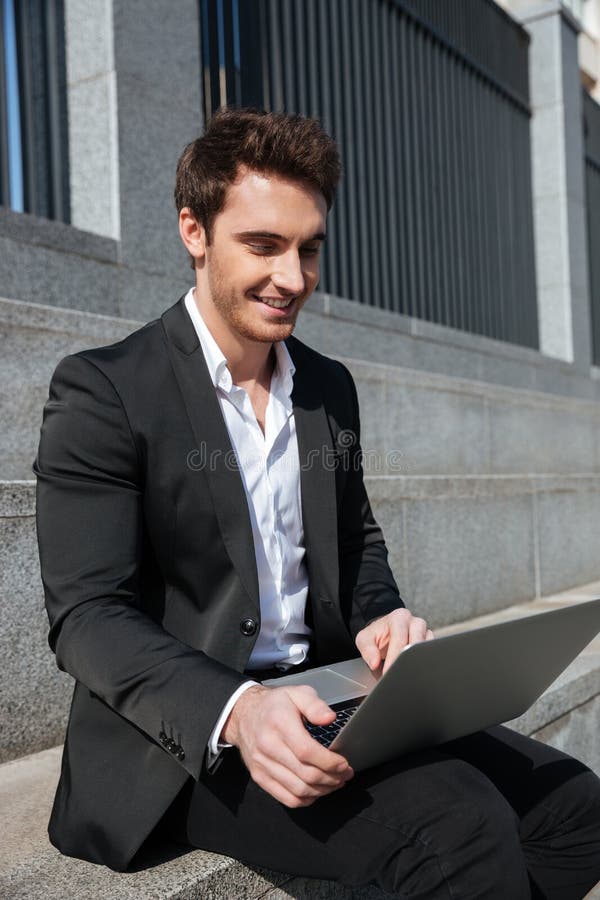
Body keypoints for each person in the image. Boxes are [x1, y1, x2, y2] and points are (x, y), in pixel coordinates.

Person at [35, 108, 600, 899]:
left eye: (308, 249)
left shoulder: (326, 387)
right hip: (190, 735)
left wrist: (381, 618)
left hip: (332, 693)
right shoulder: (105, 390)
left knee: (575, 807)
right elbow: (87, 615)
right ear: (194, 231)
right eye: (263, 246)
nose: (293, 278)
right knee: (462, 835)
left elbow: (357, 544)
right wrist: (238, 710)